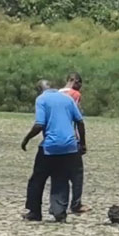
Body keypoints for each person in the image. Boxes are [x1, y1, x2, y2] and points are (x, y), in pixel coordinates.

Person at [21, 80, 86, 223]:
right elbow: (80, 122)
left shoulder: (41, 99)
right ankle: (59, 212)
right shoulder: (67, 99)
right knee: (61, 178)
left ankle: (34, 212)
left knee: (37, 179)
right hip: (69, 147)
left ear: (40, 90)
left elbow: (39, 124)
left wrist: (26, 139)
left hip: (50, 147)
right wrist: (82, 144)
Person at [58, 72, 89, 214]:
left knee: (61, 173)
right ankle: (76, 204)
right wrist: (82, 142)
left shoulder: (57, 93)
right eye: (79, 83)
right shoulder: (75, 95)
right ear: (74, 81)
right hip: (71, 138)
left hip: (57, 137)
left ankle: (59, 203)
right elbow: (77, 119)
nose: (80, 87)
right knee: (77, 174)